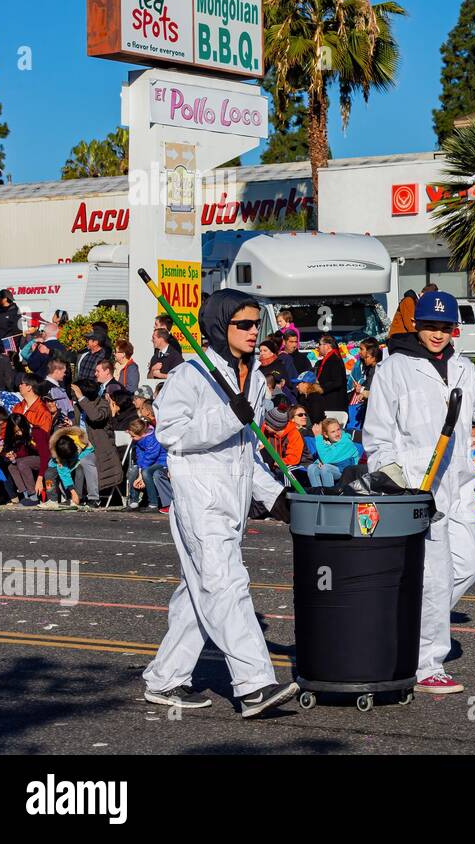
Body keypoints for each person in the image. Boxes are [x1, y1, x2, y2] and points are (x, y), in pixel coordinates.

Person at [142, 288, 299, 717]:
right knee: (226, 585)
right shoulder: (190, 374)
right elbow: (170, 434)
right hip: (200, 500)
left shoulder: (252, 377)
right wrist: (230, 416)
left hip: (233, 499)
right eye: (243, 325)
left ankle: (166, 678)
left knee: (200, 593)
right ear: (219, 326)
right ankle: (254, 685)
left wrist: (274, 495)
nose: (253, 332)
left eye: (256, 324)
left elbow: (249, 446)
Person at [363, 290, 475, 695]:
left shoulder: (462, 367)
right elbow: (378, 432)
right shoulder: (393, 369)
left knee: (468, 565)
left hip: (460, 484)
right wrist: (388, 471)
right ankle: (426, 662)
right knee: (433, 577)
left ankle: (403, 626)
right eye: (430, 325)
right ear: (417, 325)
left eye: (444, 326)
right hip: (418, 486)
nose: (437, 333)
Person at [126, 417, 172, 513]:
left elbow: (151, 457)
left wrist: (141, 476)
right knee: (133, 470)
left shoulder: (152, 439)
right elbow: (140, 456)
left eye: (133, 436)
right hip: (149, 462)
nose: (132, 438)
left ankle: (153, 504)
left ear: (142, 434)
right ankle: (134, 502)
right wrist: (138, 472)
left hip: (161, 462)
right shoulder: (138, 440)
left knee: (146, 472)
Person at [307, 417, 360, 488]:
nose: (337, 433)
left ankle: (329, 496)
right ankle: (318, 495)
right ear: (326, 435)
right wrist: (318, 462)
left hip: (348, 472)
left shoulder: (346, 442)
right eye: (333, 432)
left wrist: (318, 436)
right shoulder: (327, 444)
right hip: (335, 469)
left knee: (326, 468)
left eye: (338, 429)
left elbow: (326, 459)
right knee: (312, 467)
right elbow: (324, 458)